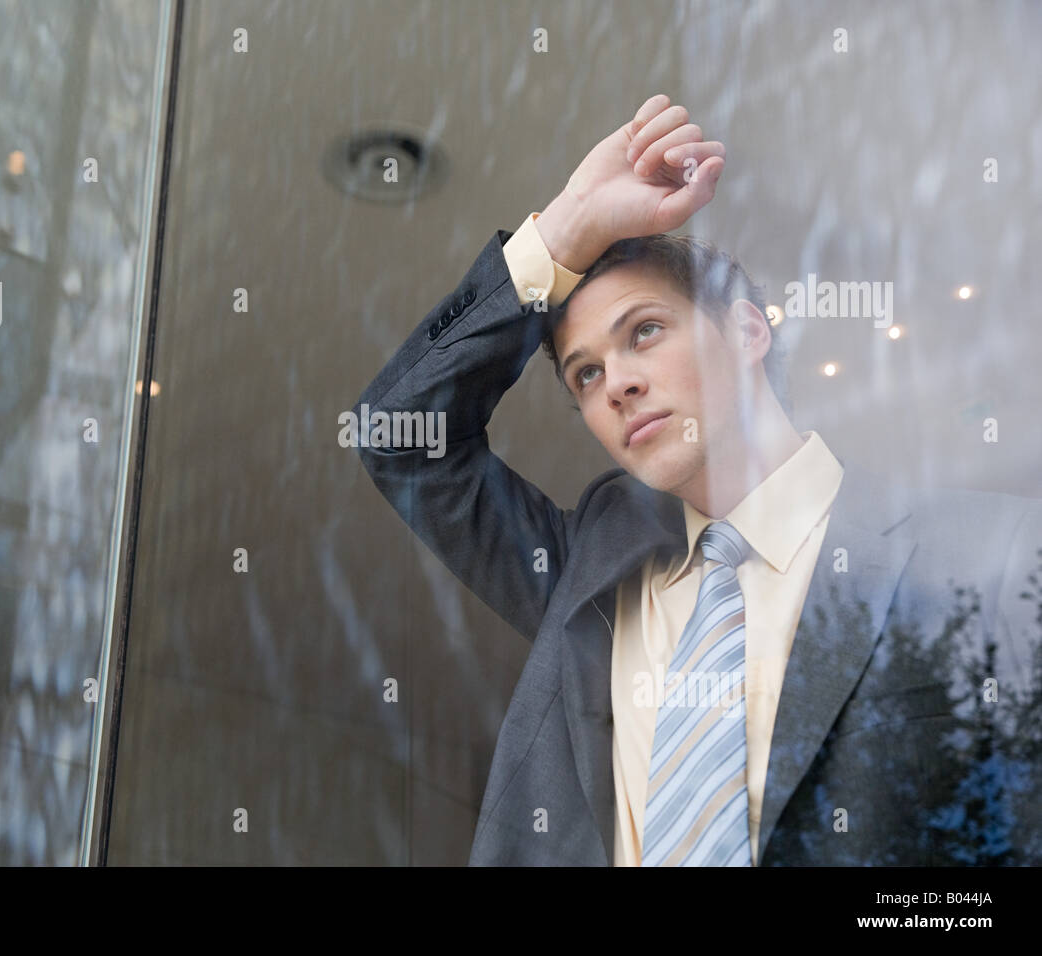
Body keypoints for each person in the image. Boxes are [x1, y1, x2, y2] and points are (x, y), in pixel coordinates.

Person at [352, 94, 1042, 865]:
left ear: (747, 330)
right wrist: (568, 229)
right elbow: (399, 434)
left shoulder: (990, 552)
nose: (615, 384)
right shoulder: (588, 568)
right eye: (585, 374)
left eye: (644, 332)